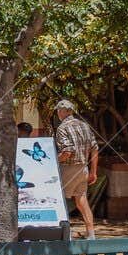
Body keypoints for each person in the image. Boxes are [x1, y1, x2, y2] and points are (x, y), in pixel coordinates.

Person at [54, 99, 100, 235]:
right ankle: (91, 234)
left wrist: (53, 161)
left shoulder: (62, 128)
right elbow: (95, 149)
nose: (58, 113)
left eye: (58, 111)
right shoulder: (84, 126)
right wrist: (93, 172)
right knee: (81, 200)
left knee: (58, 200)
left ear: (62, 112)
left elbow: (67, 152)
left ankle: (63, 234)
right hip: (83, 169)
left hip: (68, 169)